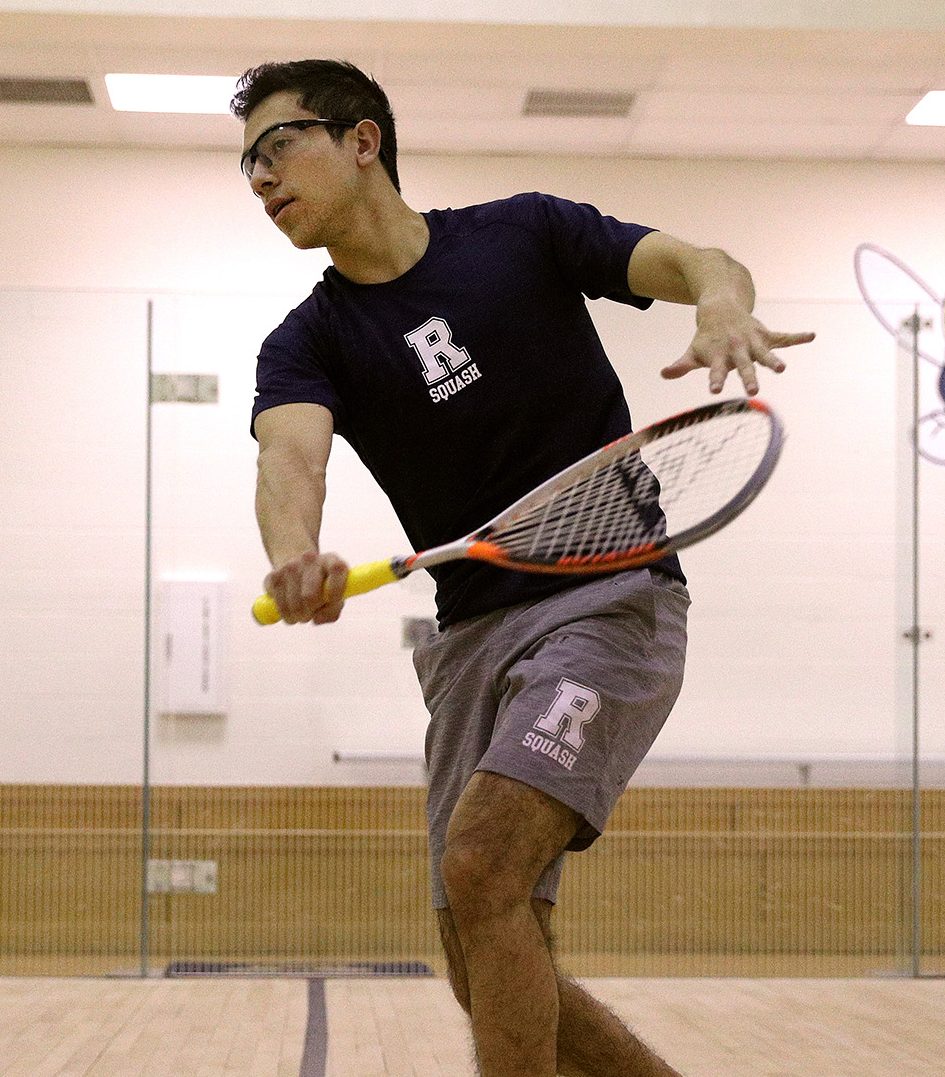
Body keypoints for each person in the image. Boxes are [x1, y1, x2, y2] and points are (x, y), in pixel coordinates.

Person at [236, 59, 811, 1077]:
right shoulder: (307, 341)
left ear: (362, 141)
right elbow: (290, 458)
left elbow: (697, 260)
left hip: (609, 601)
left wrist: (721, 302)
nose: (260, 177)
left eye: (278, 146)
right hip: (469, 638)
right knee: (479, 950)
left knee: (484, 863)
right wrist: (294, 557)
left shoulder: (523, 234)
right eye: (247, 163)